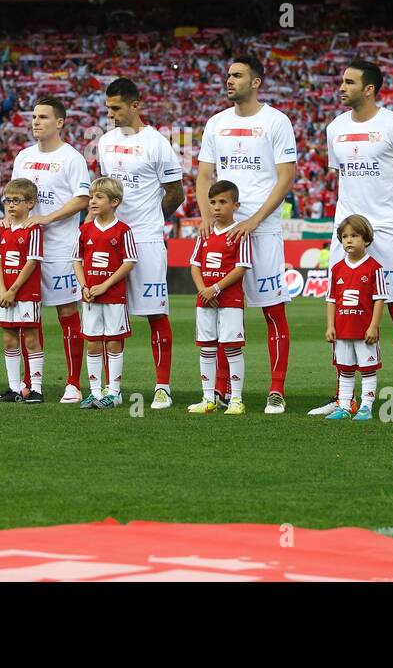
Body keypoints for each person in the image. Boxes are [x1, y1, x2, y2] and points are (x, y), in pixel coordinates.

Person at [316, 60, 393, 419]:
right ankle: (343, 398)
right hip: (345, 231)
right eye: (341, 81)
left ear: (369, 89)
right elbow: (342, 179)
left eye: (349, 82)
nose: (341, 87)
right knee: (346, 309)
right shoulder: (335, 128)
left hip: (388, 232)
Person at [195, 56, 297, 414]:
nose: (229, 80)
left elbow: (286, 177)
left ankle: (276, 389)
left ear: (256, 82)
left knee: (272, 311)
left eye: (237, 75)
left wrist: (253, 219)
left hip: (261, 228)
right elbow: (204, 175)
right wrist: (208, 217)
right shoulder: (216, 123)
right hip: (224, 234)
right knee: (220, 311)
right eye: (227, 75)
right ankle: (220, 392)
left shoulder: (276, 121)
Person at [97, 78, 183, 408]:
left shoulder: (158, 143)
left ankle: (163, 386)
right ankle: (111, 388)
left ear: (136, 106)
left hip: (146, 239)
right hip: (111, 241)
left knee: (154, 313)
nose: (111, 114)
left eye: (116, 108)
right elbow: (105, 190)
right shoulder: (104, 142)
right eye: (108, 108)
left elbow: (176, 193)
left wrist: (150, 218)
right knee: (108, 315)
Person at [9, 96, 91, 403]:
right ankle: (31, 383)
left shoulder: (71, 158)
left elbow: (82, 198)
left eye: (43, 117)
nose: (35, 121)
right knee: (28, 317)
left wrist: (47, 217)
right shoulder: (23, 157)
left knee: (67, 312)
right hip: (27, 248)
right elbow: (14, 197)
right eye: (33, 116)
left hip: (58, 248)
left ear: (59, 122)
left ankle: (72, 383)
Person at [186, 180, 252, 416]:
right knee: (206, 349)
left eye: (223, 202)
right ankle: (208, 398)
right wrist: (204, 289)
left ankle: (236, 399)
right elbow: (194, 265)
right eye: (212, 202)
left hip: (230, 300)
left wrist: (215, 288)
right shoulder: (203, 233)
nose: (216, 207)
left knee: (232, 349)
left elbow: (241, 267)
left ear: (235, 205)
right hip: (205, 300)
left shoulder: (240, 234)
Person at [72, 177, 138, 410]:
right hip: (90, 296)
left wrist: (106, 285)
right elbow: (77, 261)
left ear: (115, 202)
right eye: (91, 197)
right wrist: (84, 286)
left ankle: (114, 392)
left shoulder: (123, 230)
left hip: (113, 297)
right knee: (92, 344)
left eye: (99, 197)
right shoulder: (84, 230)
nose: (93, 201)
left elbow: (129, 261)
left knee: (112, 343)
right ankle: (94, 392)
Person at [324, 214, 386, 422]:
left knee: (367, 370)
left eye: (354, 235)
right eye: (344, 236)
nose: (349, 240)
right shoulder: (336, 269)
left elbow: (379, 300)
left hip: (364, 331)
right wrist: (330, 326)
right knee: (345, 370)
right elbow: (332, 300)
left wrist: (374, 326)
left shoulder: (374, 268)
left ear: (366, 239)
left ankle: (366, 407)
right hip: (342, 331)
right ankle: (344, 406)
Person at [0, 177, 44, 403]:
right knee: (9, 339)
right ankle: (14, 389)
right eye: (8, 201)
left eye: (17, 200)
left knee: (31, 339)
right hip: (7, 294)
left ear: (30, 203)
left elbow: (32, 262)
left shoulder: (33, 229)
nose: (11, 205)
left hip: (26, 293)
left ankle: (36, 389)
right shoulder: (3, 228)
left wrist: (13, 290)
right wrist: (3, 290)